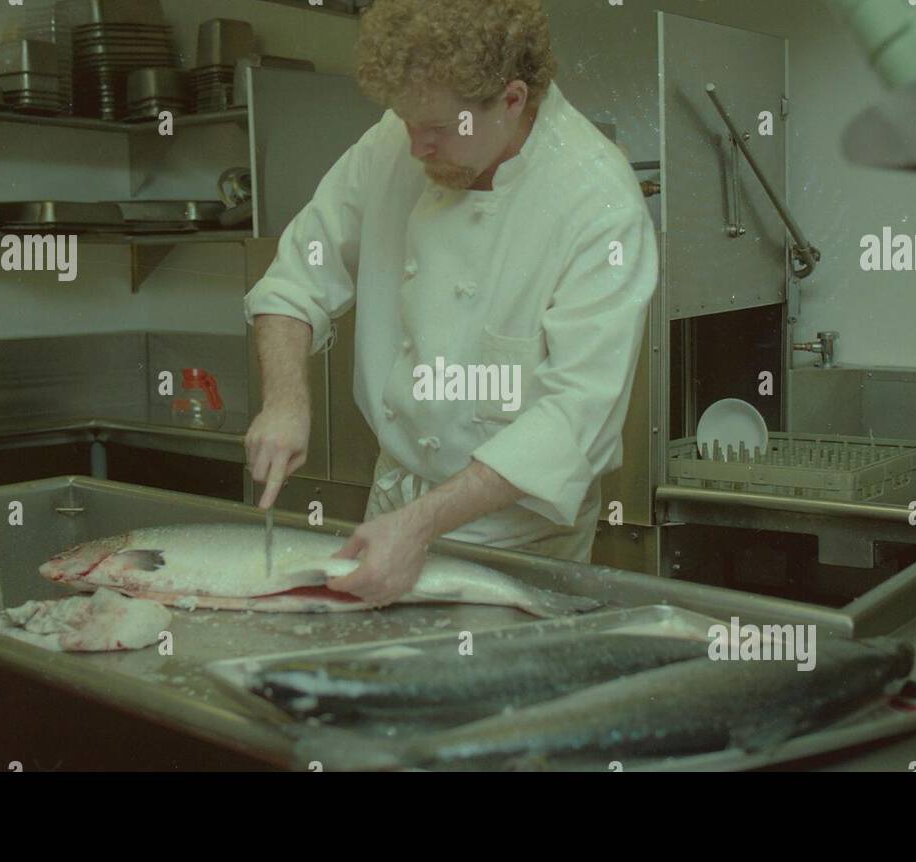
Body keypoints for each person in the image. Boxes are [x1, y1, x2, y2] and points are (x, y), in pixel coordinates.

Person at [243, 0, 658, 606]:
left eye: (436, 129)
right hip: (392, 507)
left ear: (512, 100)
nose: (415, 147)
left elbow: (573, 421)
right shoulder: (400, 136)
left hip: (519, 540)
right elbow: (300, 267)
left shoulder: (599, 205)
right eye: (405, 120)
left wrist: (421, 525)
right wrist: (284, 399)